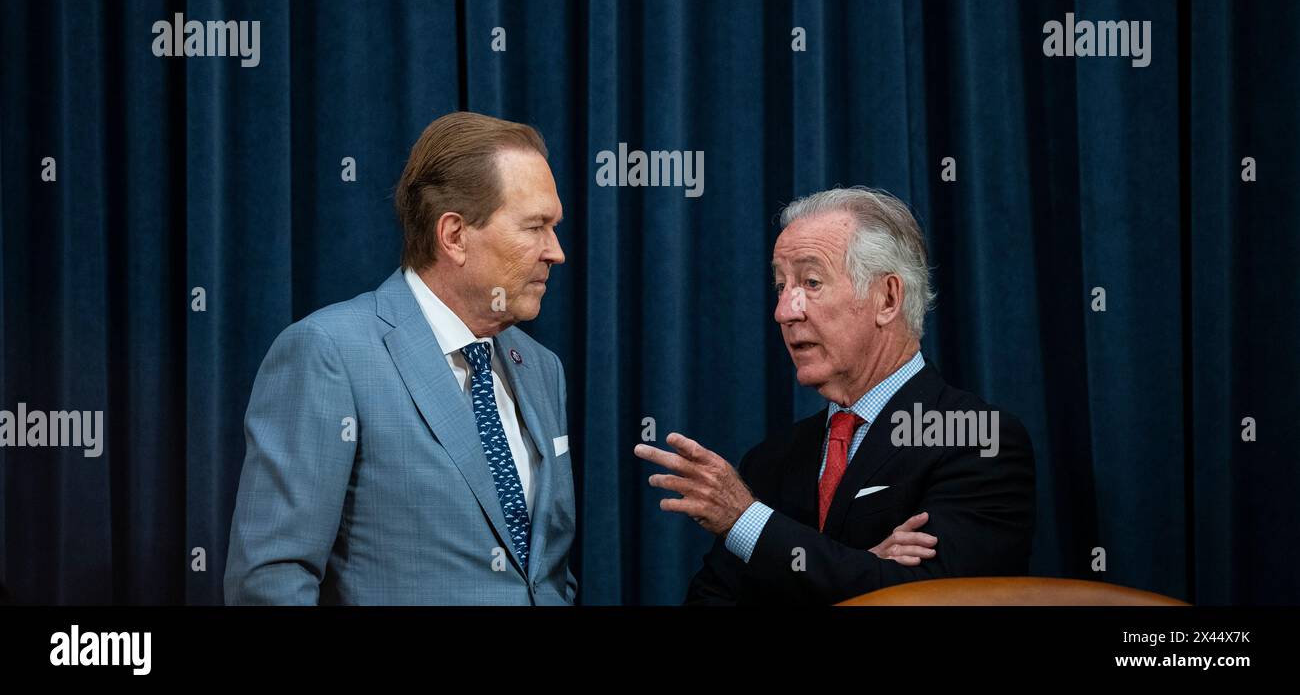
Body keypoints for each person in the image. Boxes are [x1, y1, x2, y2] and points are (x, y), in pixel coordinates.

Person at [225, 111, 576, 604]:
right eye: (535, 226)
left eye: (553, 227)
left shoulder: (540, 367)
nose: (555, 251)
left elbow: (544, 575)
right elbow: (270, 581)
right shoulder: (330, 353)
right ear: (454, 235)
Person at [636, 187, 1035, 604]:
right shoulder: (768, 462)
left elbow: (927, 601)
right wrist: (865, 565)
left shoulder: (975, 438)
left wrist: (747, 521)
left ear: (887, 298)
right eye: (780, 285)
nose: (785, 311)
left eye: (811, 282)